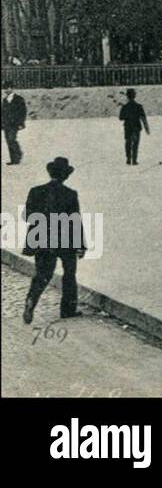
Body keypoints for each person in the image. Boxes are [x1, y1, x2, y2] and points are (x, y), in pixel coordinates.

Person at [22, 157, 86, 323]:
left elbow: (27, 216)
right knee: (69, 274)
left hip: (42, 238)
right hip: (65, 239)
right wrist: (80, 245)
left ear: (50, 173)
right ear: (66, 176)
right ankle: (67, 310)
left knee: (42, 274)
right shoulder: (70, 194)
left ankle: (31, 301)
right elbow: (75, 221)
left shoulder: (35, 191)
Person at [118, 88, 149, 165]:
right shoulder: (139, 106)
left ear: (127, 96)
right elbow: (143, 118)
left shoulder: (125, 107)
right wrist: (146, 128)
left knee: (128, 143)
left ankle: (128, 159)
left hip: (128, 127)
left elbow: (120, 118)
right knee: (135, 143)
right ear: (134, 96)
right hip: (136, 127)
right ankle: (134, 160)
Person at [3, 85, 27, 165]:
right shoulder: (5, 100)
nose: (6, 89)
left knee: (11, 139)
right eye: (5, 88)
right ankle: (13, 159)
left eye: (8, 87)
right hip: (6, 124)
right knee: (8, 141)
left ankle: (18, 154)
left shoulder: (19, 99)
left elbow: (23, 112)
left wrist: (21, 123)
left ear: (12, 88)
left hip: (15, 124)